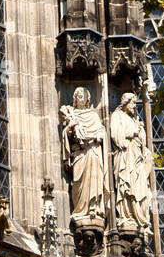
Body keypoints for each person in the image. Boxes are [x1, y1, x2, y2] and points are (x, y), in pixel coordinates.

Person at [60, 88, 108, 223]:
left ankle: (94, 207)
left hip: (92, 152)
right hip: (79, 154)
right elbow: (66, 135)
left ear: (87, 99)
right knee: (78, 182)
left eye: (83, 96)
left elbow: (101, 132)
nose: (80, 98)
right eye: (78, 96)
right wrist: (70, 127)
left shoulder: (93, 116)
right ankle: (81, 209)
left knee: (94, 179)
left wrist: (95, 136)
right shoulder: (72, 115)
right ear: (75, 99)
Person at [110, 93, 152, 229]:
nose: (135, 105)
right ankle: (126, 215)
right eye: (133, 102)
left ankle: (138, 218)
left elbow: (141, 141)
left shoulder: (134, 120)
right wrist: (132, 132)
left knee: (139, 187)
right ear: (125, 103)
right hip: (125, 156)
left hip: (136, 157)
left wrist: (141, 133)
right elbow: (116, 135)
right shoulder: (117, 116)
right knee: (126, 185)